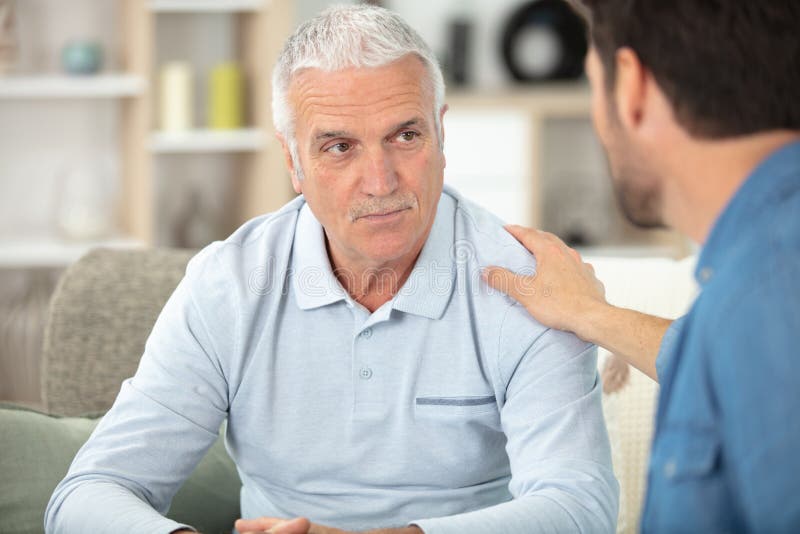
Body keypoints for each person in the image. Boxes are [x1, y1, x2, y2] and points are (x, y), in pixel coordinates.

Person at [45, 6, 619, 534]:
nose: (381, 181)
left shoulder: (528, 284)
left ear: (442, 133)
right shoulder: (227, 285)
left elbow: (580, 505)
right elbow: (86, 495)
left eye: (406, 135)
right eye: (339, 147)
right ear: (293, 160)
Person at [484, 0, 800, 531]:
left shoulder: (766, 291)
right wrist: (591, 315)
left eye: (592, 84)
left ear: (630, 86)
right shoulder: (751, 295)